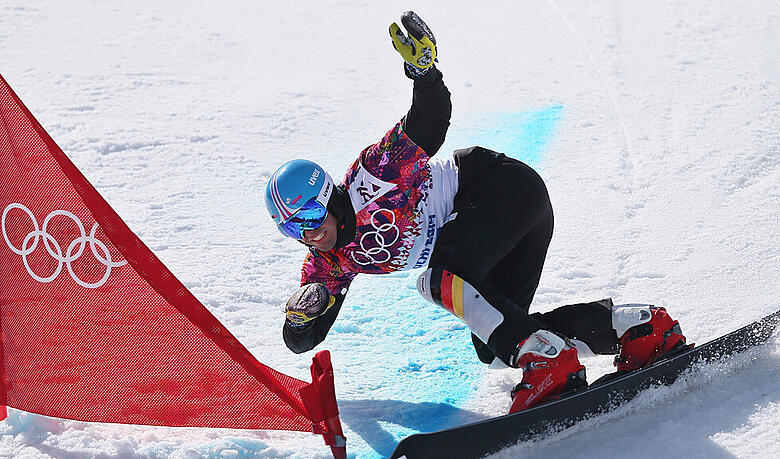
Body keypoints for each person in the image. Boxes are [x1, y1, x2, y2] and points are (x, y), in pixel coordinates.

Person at [264, 11, 688, 414]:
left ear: (327, 198)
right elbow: (302, 341)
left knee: (436, 279)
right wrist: (301, 318)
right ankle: (635, 328)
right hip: (504, 228)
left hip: (501, 189)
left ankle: (549, 366)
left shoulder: (372, 177)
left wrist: (425, 74)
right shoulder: (327, 264)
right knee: (497, 345)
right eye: (292, 229)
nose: (308, 234)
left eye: (309, 217)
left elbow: (428, 125)